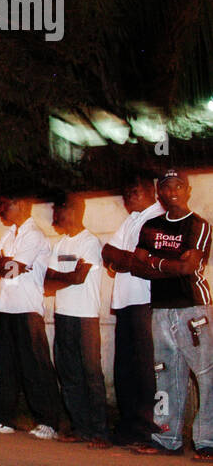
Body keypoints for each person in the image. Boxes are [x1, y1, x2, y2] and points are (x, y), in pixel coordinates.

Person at [126, 170, 213, 459]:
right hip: (160, 310)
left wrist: (154, 261)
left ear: (187, 190)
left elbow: (188, 269)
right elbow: (136, 266)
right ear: (159, 192)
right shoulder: (150, 226)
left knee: (206, 375)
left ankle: (207, 442)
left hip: (193, 310)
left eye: (178, 186)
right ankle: (167, 438)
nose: (172, 191)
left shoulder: (198, 226)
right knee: (165, 376)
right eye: (166, 187)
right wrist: (169, 263)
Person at [0, 197, 63, 439]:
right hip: (3, 307)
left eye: (7, 205)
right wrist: (2, 265)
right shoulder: (9, 235)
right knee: (6, 367)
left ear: (23, 206)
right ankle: (1, 418)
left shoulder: (34, 235)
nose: (2, 210)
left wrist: (2, 265)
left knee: (35, 367)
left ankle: (49, 422)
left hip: (26, 309)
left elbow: (14, 268)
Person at [101, 173, 164, 446]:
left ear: (152, 190)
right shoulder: (131, 220)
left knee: (149, 369)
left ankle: (152, 430)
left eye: (135, 191)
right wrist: (122, 260)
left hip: (148, 301)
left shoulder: (159, 217)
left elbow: (143, 261)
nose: (129, 197)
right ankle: (128, 427)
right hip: (125, 302)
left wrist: (125, 260)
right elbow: (107, 252)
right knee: (125, 368)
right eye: (126, 193)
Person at [44, 194, 107, 446]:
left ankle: (101, 432)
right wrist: (67, 274)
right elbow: (47, 283)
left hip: (85, 316)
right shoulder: (59, 245)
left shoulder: (90, 242)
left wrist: (62, 276)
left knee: (91, 373)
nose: (55, 216)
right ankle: (81, 428)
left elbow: (80, 278)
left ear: (73, 211)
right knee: (68, 373)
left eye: (59, 210)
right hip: (63, 314)